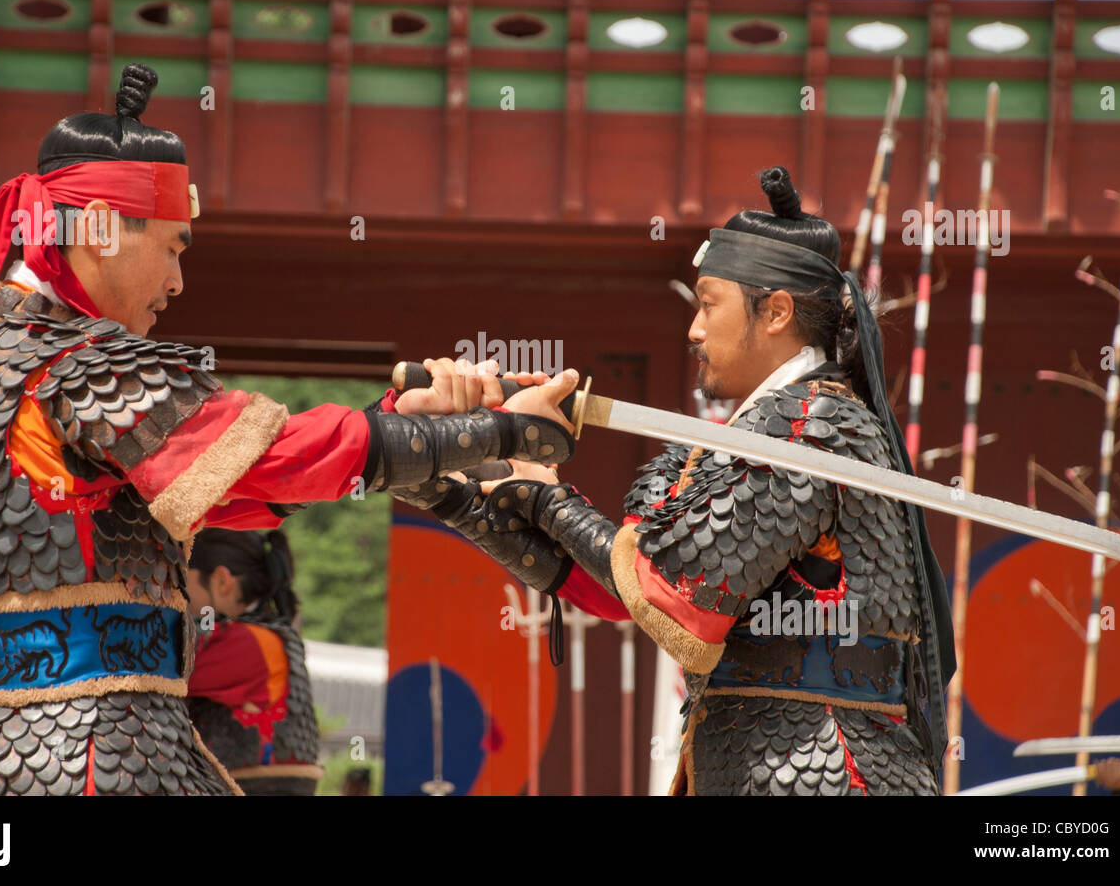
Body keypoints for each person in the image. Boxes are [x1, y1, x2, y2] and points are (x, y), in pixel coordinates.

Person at [0, 63, 575, 796]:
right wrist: (495, 433)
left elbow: (220, 490)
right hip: (74, 758)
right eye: (173, 246)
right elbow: (263, 463)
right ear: (103, 228)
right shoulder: (76, 364)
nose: (177, 282)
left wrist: (397, 427)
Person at [396, 167, 956, 795]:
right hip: (773, 761)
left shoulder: (809, 425)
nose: (693, 329)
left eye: (708, 305)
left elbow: (674, 599)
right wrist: (453, 473)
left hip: (828, 768)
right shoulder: (759, 431)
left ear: (775, 313)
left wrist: (541, 494)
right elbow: (624, 589)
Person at [186, 528, 321, 795]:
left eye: (182, 583)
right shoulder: (262, 636)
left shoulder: (250, 642)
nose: (177, 597)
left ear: (222, 581)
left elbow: (152, 663)